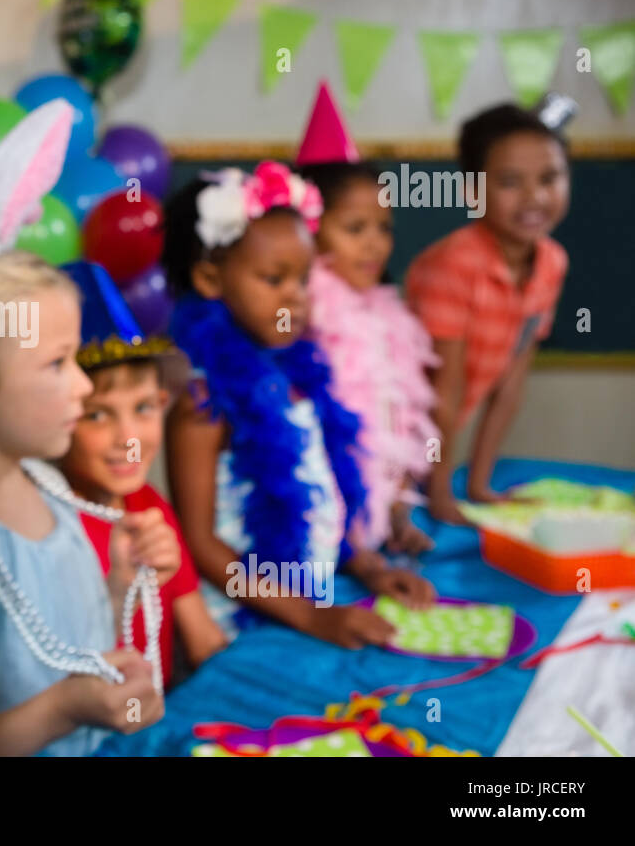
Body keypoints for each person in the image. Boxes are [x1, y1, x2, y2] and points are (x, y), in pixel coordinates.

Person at [162, 162, 436, 649]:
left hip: (313, 599)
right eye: (273, 280)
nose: (296, 297)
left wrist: (367, 565)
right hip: (242, 630)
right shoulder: (203, 400)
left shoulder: (297, 371)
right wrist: (312, 618)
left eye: (304, 279)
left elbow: (321, 489)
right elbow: (201, 547)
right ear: (209, 279)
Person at [58, 261, 228, 687]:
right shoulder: (50, 527)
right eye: (97, 415)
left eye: (144, 408)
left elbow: (204, 639)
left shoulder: (148, 504)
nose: (129, 438)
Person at [405, 104, 570, 524]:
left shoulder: (552, 262)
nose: (534, 197)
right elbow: (444, 392)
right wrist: (440, 494)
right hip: (394, 435)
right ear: (472, 191)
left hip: (440, 438)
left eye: (549, 178)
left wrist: (479, 486)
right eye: (510, 182)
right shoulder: (454, 264)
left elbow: (510, 381)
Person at [296, 82, 440, 554]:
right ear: (311, 233)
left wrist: (398, 516)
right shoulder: (305, 317)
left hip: (375, 534)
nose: (374, 243)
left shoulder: (389, 319)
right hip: (323, 536)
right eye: (355, 228)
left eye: (384, 227)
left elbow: (395, 431)